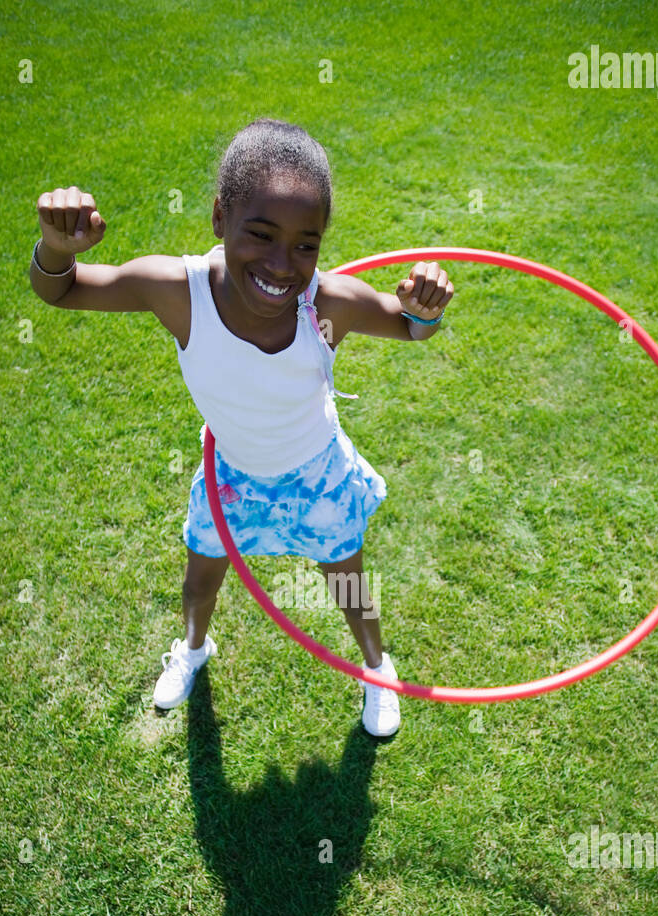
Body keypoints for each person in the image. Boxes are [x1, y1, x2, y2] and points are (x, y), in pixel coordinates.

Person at [30, 118, 453, 736]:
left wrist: (426, 308)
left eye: (306, 245)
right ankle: (194, 648)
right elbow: (62, 293)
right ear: (219, 217)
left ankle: (376, 666)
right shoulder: (178, 293)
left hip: (318, 473)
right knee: (199, 580)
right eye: (261, 234)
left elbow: (408, 325)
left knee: (350, 583)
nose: (282, 264)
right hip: (230, 475)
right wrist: (56, 250)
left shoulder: (326, 305)